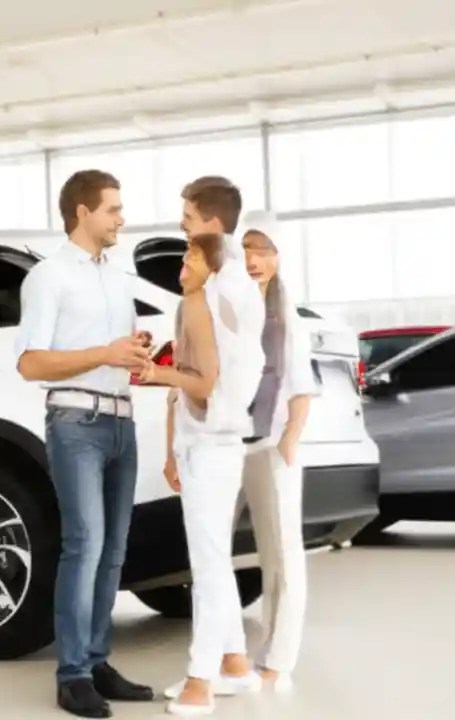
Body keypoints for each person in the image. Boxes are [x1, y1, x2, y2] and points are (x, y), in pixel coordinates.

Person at [15, 169, 156, 719]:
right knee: (86, 545)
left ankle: (96, 661)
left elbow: (116, 352)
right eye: (113, 209)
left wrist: (135, 351)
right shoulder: (48, 277)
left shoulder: (119, 278)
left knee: (114, 549)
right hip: (75, 422)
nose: (121, 218)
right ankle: (71, 675)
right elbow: (31, 363)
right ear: (82, 212)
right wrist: (104, 353)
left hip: (122, 422)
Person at [140, 177, 265, 716]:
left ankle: (201, 680)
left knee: (209, 563)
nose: (181, 228)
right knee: (211, 556)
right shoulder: (231, 284)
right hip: (209, 441)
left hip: (212, 444)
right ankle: (235, 664)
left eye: (187, 220)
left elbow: (205, 378)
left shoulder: (217, 291)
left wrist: (157, 375)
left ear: (210, 226)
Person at [237, 210, 314, 694]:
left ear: (279, 258)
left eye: (264, 250)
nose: (254, 259)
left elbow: (302, 388)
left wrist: (288, 442)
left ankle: (279, 661)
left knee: (285, 555)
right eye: (247, 248)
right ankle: (262, 650)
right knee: (263, 555)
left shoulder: (289, 317)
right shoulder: (239, 309)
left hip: (275, 444)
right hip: (237, 441)